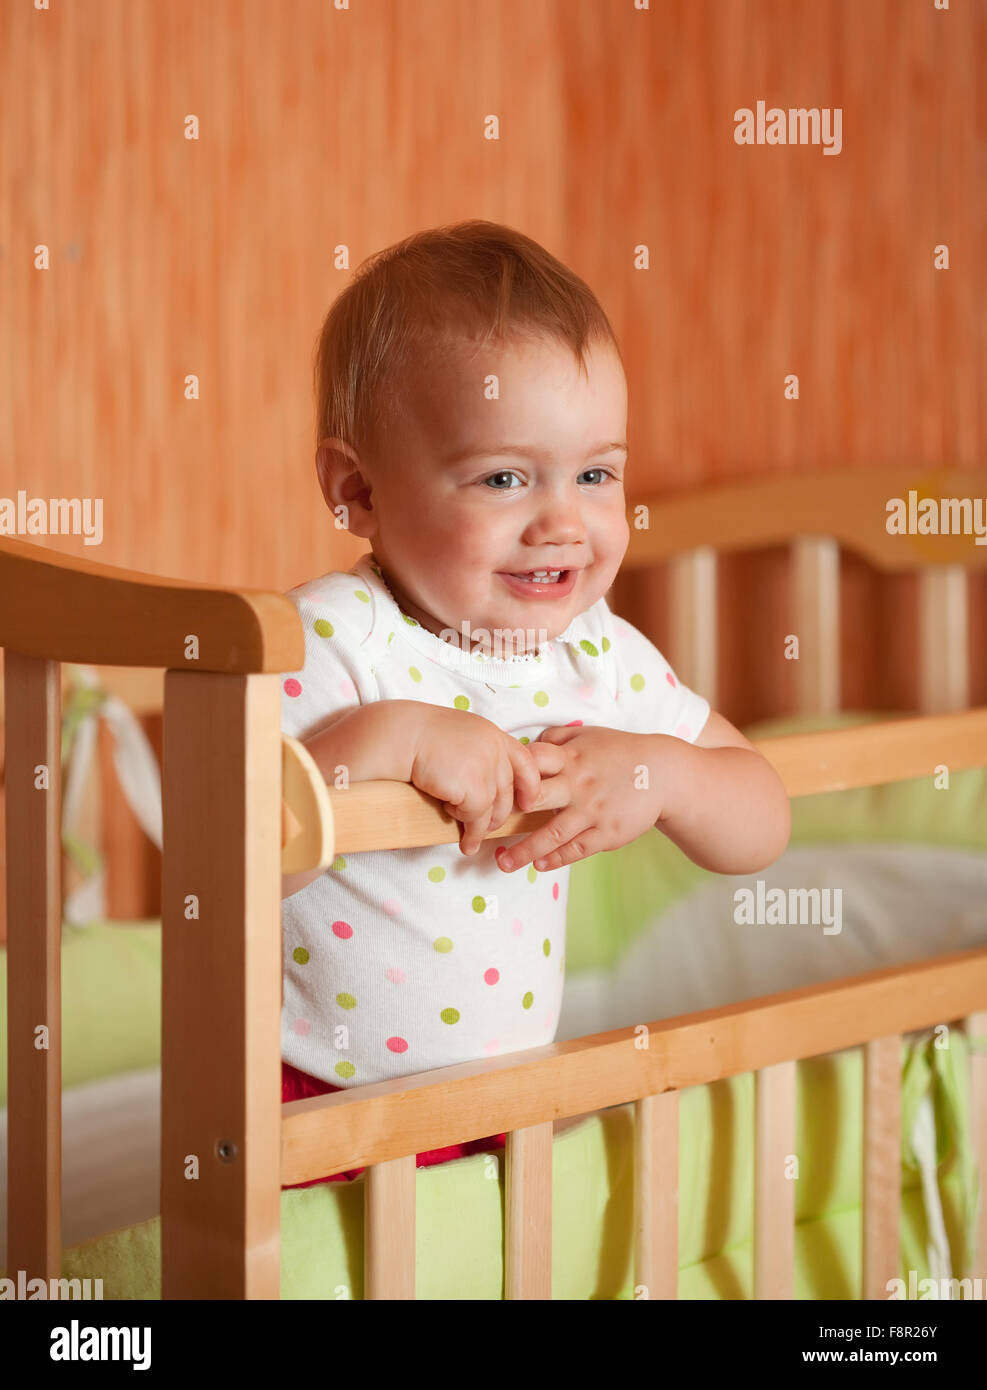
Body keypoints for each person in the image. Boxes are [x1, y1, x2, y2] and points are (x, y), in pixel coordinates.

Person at [279, 220, 791, 1186]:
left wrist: (663, 774)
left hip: (508, 1098)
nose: (563, 521)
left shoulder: (596, 652)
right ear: (357, 490)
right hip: (318, 1092)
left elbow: (760, 818)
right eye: (505, 477)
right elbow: (225, 860)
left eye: (596, 473)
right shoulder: (333, 640)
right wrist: (386, 739)